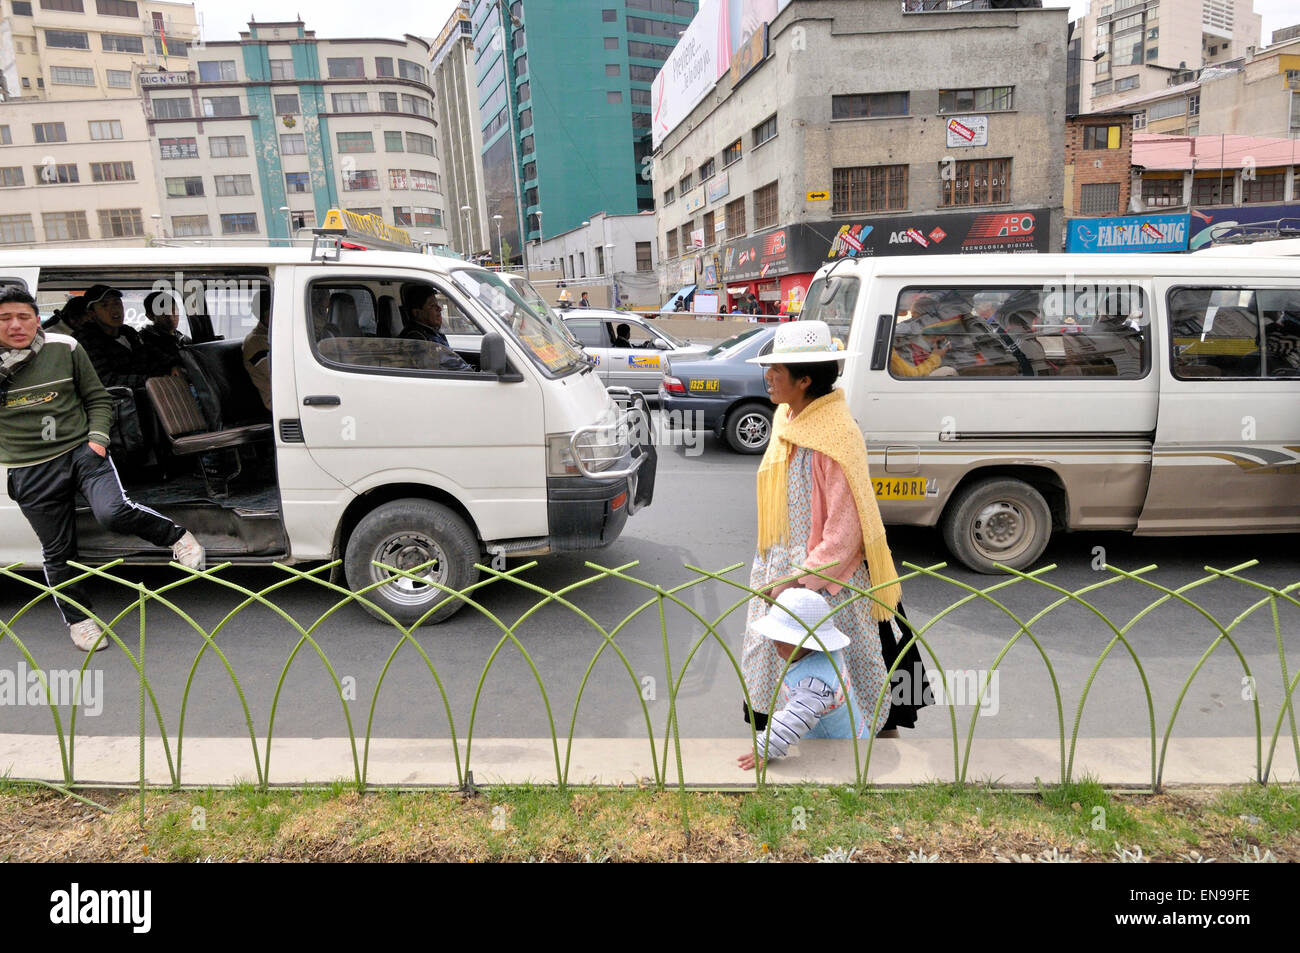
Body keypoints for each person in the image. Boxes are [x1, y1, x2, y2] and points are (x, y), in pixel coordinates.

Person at [741, 320, 922, 738]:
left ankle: (861, 756)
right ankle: (785, 738)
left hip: (825, 579)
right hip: (780, 567)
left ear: (805, 380)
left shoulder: (837, 434)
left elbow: (845, 531)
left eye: (777, 371)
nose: (768, 377)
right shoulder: (787, 418)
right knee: (775, 663)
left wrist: (798, 582)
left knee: (853, 672)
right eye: (768, 368)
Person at [0, 286, 204, 652]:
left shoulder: (65, 348)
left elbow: (97, 396)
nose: (16, 325)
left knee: (113, 512)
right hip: (28, 468)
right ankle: (80, 621)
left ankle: (177, 537)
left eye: (24, 316)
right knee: (57, 552)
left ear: (35, 318)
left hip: (81, 451)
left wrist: (96, 438)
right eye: (4, 319)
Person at [737, 588, 868, 770]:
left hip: (842, 751)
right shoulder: (821, 655)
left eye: (784, 638)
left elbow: (796, 717)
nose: (776, 643)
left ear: (808, 642)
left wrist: (765, 747)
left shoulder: (815, 682)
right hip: (838, 740)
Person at [76, 284, 154, 390]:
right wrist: (150, 380)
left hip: (147, 394)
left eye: (117, 303)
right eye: (105, 305)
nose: (114, 309)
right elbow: (105, 380)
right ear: (92, 314)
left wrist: (172, 366)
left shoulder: (128, 332)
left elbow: (150, 356)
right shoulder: (85, 340)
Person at [398, 284, 473, 371]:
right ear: (417, 312)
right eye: (432, 305)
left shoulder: (429, 332)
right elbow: (446, 370)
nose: (439, 309)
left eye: (437, 304)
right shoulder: (417, 340)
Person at [139, 290, 190, 379]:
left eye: (173, 310)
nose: (170, 316)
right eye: (163, 312)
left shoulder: (183, 339)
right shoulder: (143, 340)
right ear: (150, 316)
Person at [242, 286, 272, 411]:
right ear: (266, 315)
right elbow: (280, 375)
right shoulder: (256, 342)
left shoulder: (276, 335)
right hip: (278, 402)